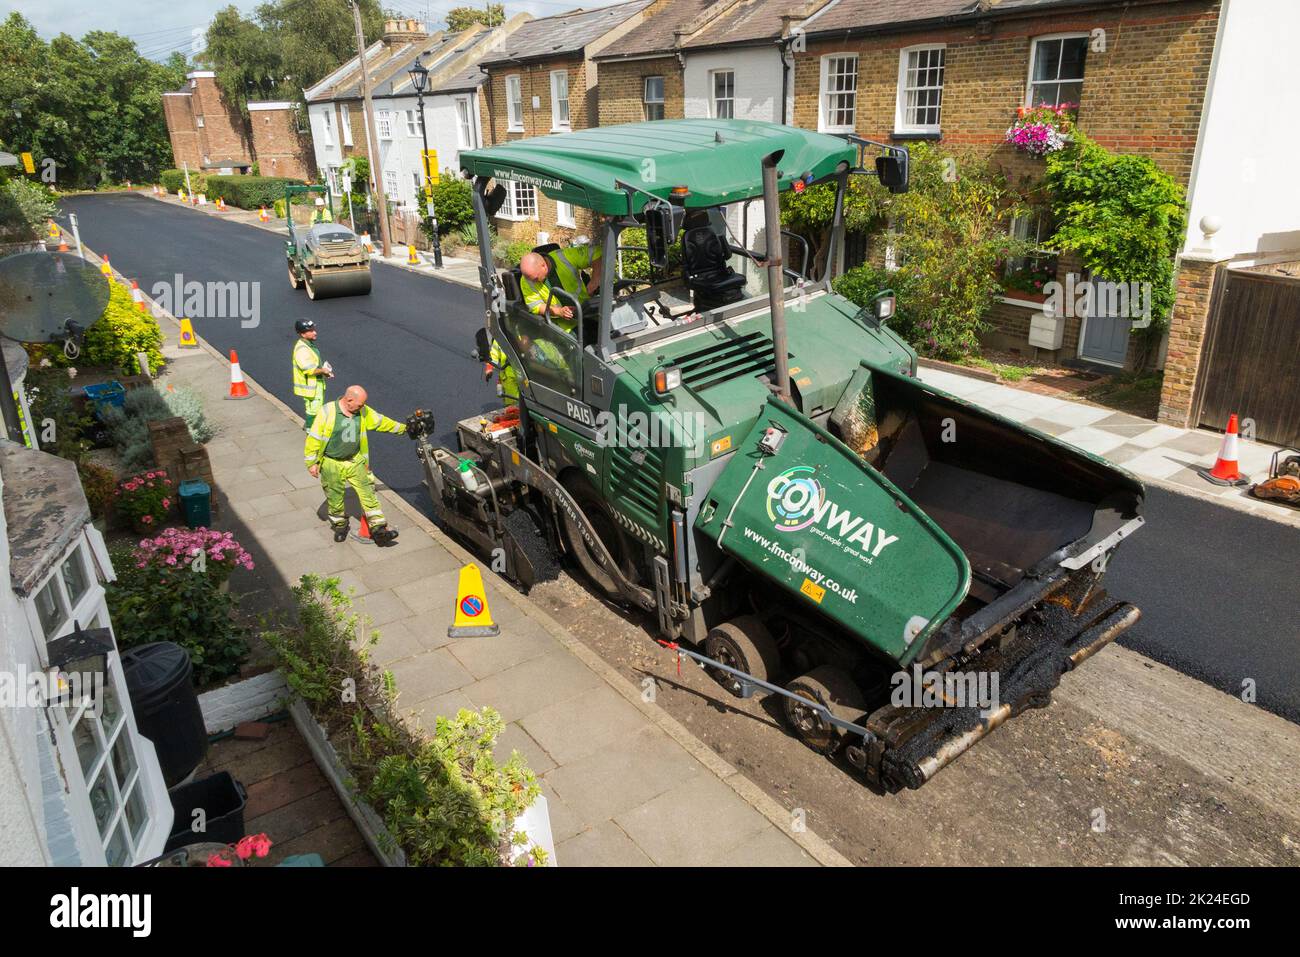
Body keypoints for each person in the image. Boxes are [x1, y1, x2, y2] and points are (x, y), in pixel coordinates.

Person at [304, 385, 406, 544]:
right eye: (359, 405)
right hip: (332, 464)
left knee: (368, 495)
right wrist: (311, 462)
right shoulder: (327, 412)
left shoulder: (362, 411)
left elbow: (381, 421)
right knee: (335, 498)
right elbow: (314, 438)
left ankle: (378, 529)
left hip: (355, 461)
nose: (362, 408)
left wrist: (404, 429)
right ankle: (340, 526)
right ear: (349, 400)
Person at [518, 242, 603, 334]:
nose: (533, 282)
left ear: (544, 266)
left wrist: (595, 279)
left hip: (587, 310)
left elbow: (596, 252)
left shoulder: (564, 256)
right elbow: (535, 306)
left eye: (535, 278)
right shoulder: (526, 280)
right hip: (565, 327)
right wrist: (559, 311)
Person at [291, 319, 332, 427]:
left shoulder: (308, 345)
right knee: (314, 412)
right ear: (302, 334)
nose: (315, 332)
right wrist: (323, 370)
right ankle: (311, 432)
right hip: (311, 388)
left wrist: (324, 372)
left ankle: (311, 430)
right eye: (311, 331)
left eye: (314, 329)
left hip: (315, 385)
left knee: (314, 410)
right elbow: (309, 369)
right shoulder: (302, 350)